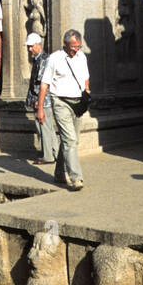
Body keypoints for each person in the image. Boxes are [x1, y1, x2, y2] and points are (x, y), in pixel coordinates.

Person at [36, 29, 91, 191]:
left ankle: (59, 172)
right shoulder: (54, 58)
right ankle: (76, 178)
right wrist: (40, 109)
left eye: (79, 46)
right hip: (60, 101)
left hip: (78, 102)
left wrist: (87, 90)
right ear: (65, 44)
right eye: (73, 47)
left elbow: (86, 77)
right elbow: (44, 84)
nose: (76, 50)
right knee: (70, 140)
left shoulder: (82, 57)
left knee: (71, 140)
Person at [25, 33, 57, 165]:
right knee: (47, 128)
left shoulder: (43, 60)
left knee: (43, 127)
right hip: (43, 100)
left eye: (31, 46)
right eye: (28, 46)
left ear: (38, 45)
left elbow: (41, 84)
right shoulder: (41, 59)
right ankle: (54, 153)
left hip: (43, 100)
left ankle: (48, 156)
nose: (29, 49)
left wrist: (39, 102)